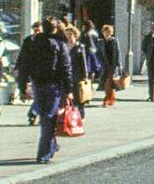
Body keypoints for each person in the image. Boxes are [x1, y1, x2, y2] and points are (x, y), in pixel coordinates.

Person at [26, 16, 73, 164]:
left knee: (45, 117)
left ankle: (51, 146)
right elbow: (66, 68)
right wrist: (69, 89)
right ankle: (44, 153)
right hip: (53, 85)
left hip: (37, 84)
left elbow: (25, 63)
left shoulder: (33, 42)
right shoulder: (60, 44)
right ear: (56, 28)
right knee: (49, 117)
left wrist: (24, 85)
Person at [15, 22, 42, 126]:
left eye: (39, 30)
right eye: (35, 31)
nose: (37, 33)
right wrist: (17, 67)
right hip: (29, 70)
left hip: (41, 71)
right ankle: (34, 113)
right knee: (37, 94)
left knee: (38, 94)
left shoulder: (46, 41)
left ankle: (33, 113)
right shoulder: (28, 40)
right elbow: (22, 55)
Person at [63, 26, 95, 113]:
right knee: (69, 96)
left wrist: (85, 76)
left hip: (78, 75)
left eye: (70, 34)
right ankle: (71, 115)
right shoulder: (64, 46)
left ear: (75, 34)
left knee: (79, 96)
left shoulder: (80, 46)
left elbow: (84, 62)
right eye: (67, 34)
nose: (69, 36)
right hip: (67, 75)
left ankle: (81, 114)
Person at [99, 24, 122, 106]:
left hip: (113, 65)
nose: (107, 34)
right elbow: (98, 54)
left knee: (108, 83)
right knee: (109, 83)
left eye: (109, 32)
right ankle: (111, 99)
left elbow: (118, 53)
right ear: (103, 32)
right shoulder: (100, 42)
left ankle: (106, 100)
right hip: (105, 65)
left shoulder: (114, 41)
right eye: (105, 32)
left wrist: (120, 65)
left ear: (111, 33)